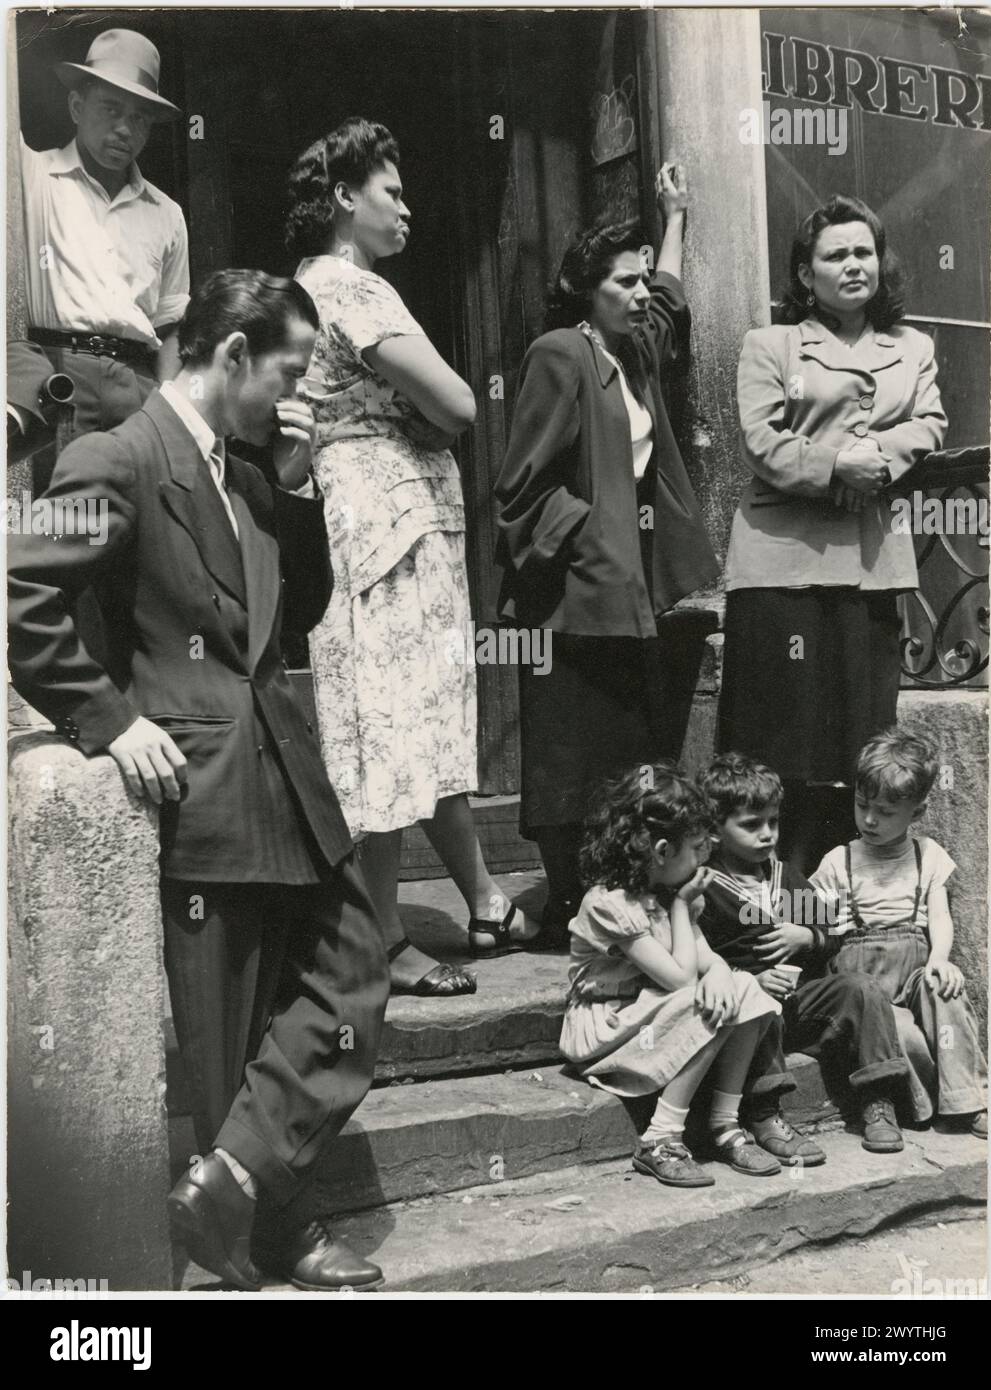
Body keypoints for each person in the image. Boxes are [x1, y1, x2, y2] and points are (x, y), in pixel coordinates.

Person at [7, 270, 390, 1292]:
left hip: (281, 774)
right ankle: (271, 1234)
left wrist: (300, 484)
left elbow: (295, 613)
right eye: (289, 373)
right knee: (228, 1034)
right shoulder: (120, 455)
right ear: (229, 357)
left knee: (358, 961)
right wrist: (108, 716)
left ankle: (226, 1179)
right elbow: (22, 591)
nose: (298, 396)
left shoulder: (255, 467)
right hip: (198, 780)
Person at [286, 117, 537, 996]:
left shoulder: (336, 287)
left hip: (391, 513)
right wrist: (422, 418)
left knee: (415, 715)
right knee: (391, 721)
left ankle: (474, 897)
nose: (407, 209)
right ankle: (383, 938)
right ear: (345, 197)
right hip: (382, 518)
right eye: (390, 192)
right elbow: (461, 403)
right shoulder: (350, 287)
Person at [495, 165, 720, 947]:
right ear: (586, 289)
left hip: (625, 595)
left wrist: (676, 216)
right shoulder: (560, 353)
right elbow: (519, 482)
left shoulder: (631, 354)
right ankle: (567, 908)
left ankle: (613, 903)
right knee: (568, 755)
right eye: (620, 283)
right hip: (570, 599)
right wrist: (586, 530)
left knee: (622, 752)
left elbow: (666, 299)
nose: (636, 294)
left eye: (636, 282)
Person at [717, 195, 948, 871]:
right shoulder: (771, 344)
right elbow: (761, 441)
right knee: (775, 744)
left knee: (857, 745)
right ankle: (759, 898)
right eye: (835, 254)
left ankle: (837, 896)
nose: (853, 265)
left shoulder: (914, 348)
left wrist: (874, 460)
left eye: (863, 252)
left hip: (871, 565)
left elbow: (930, 423)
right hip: (780, 565)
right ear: (805, 272)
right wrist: (832, 465)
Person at [560, 764, 783, 1188]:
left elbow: (703, 958)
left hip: (653, 1011)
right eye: (698, 847)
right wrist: (682, 908)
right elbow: (682, 981)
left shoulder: (666, 892)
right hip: (608, 1025)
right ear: (662, 851)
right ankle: (661, 1137)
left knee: (746, 988)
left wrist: (720, 970)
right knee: (700, 1002)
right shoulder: (612, 904)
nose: (704, 857)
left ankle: (723, 1122)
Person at [697, 753, 917, 1155]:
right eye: (751, 825)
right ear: (714, 830)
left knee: (861, 988)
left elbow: (831, 938)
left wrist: (808, 938)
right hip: (742, 1017)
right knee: (758, 1003)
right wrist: (745, 979)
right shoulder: (706, 889)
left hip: (798, 1006)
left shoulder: (783, 877)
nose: (767, 835)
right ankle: (765, 1112)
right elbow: (692, 958)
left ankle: (879, 1099)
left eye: (774, 822)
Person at [13, 28, 189, 442]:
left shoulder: (167, 214)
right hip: (58, 375)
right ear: (76, 106)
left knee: (134, 504)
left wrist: (166, 404)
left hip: (139, 385)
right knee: (70, 507)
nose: (126, 129)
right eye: (111, 109)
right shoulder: (30, 176)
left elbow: (170, 326)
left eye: (139, 118)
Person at [810, 729, 987, 1139]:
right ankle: (920, 1106)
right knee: (903, 1033)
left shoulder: (929, 855)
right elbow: (812, 917)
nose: (870, 819)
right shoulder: (840, 861)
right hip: (863, 986)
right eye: (862, 806)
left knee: (947, 995)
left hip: (913, 973)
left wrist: (940, 960)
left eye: (886, 812)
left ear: (917, 812)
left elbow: (940, 918)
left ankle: (969, 1100)